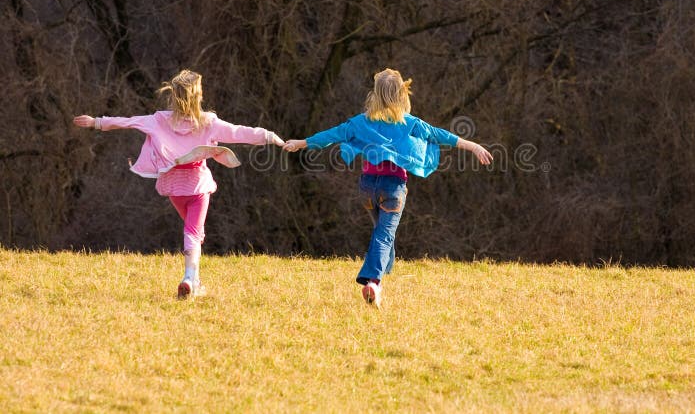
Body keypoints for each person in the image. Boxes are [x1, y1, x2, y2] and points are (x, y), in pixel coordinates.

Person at [284, 68, 492, 308]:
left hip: (367, 188)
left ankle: (378, 280)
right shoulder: (410, 123)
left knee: (382, 234)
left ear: (376, 94)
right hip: (393, 189)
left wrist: (301, 143)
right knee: (384, 235)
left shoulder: (361, 122)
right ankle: (373, 281)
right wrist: (473, 146)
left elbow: (332, 134)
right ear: (402, 94)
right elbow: (440, 135)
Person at [73, 69, 284, 298]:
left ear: (173, 96)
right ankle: (188, 278)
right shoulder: (208, 122)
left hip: (174, 186)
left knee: (195, 231)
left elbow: (128, 122)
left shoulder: (159, 120)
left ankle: (196, 282)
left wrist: (96, 122)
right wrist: (269, 136)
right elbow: (239, 132)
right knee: (193, 231)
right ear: (198, 96)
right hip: (197, 186)